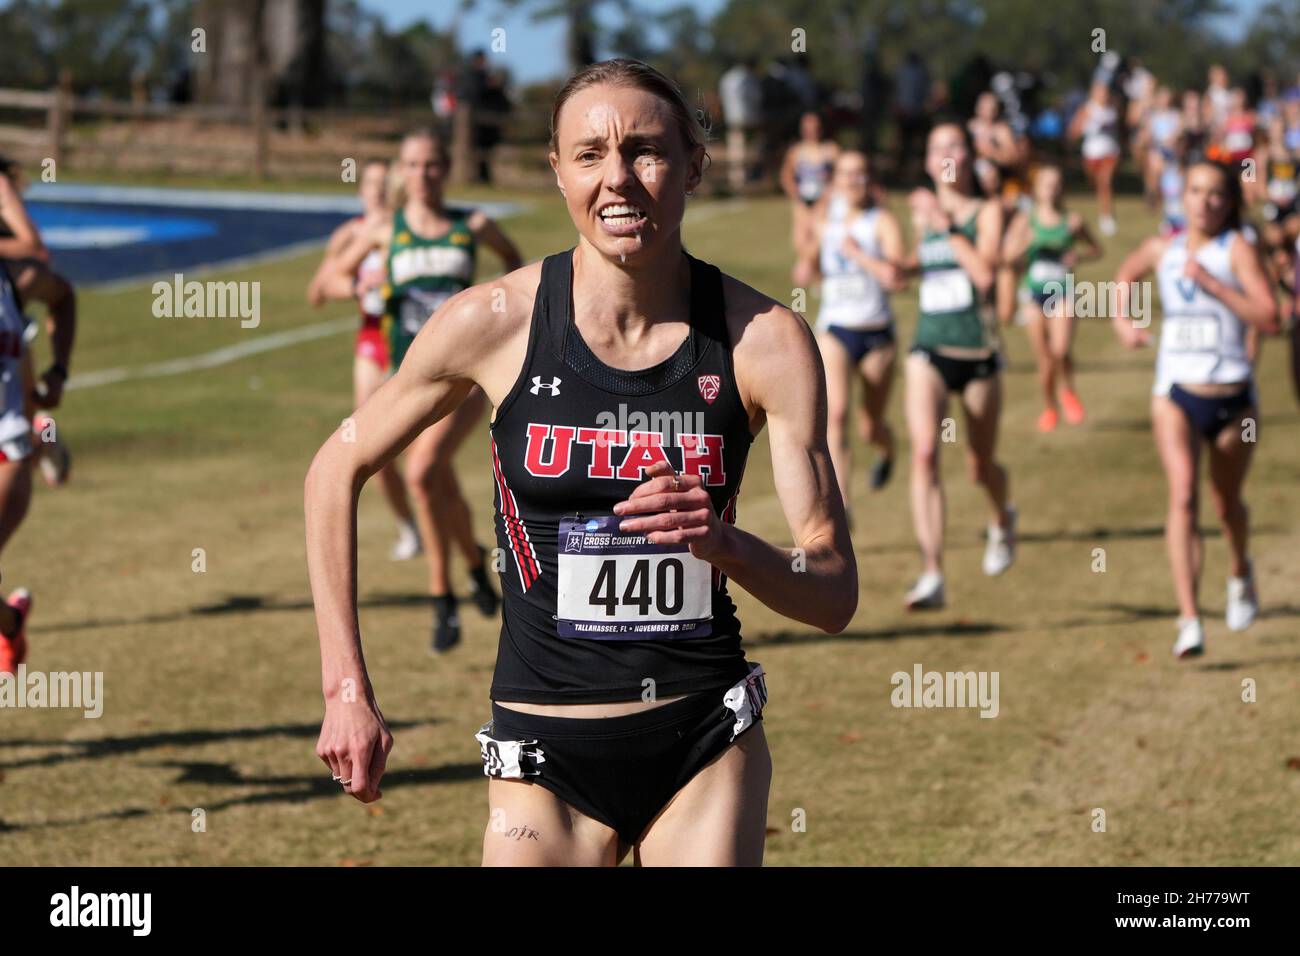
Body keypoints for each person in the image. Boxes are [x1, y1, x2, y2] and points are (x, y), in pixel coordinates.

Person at [306, 58, 857, 866]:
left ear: (694, 165)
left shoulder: (763, 339)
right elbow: (333, 470)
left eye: (646, 150)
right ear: (558, 172)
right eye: (591, 154)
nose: (619, 179)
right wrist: (345, 688)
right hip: (541, 760)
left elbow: (833, 593)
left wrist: (728, 544)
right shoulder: (493, 323)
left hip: (704, 741)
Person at [330, 128, 523, 653]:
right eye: (412, 166)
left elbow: (517, 268)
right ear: (401, 172)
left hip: (465, 378)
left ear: (446, 169)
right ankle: (473, 562)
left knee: (421, 473)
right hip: (410, 379)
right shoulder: (384, 231)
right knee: (436, 481)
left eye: (433, 164)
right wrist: (356, 286)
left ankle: (441, 596)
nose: (423, 175)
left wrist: (499, 317)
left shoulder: (473, 225)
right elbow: (322, 283)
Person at [1112, 161, 1280, 657]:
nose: (1205, 201)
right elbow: (1124, 275)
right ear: (1181, 197)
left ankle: (1239, 570)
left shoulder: (1237, 250)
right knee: (1183, 495)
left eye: (1215, 194)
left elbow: (1270, 317)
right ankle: (1189, 618)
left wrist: (1212, 285)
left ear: (1229, 202)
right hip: (1176, 394)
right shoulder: (1164, 247)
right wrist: (1123, 322)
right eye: (1195, 191)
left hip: (1233, 401)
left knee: (1227, 504)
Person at [901, 122, 1015, 610]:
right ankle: (932, 573)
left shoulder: (987, 211)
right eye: (936, 147)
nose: (945, 154)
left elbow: (985, 275)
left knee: (978, 464)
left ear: (968, 157)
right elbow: (920, 267)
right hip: (928, 348)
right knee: (925, 452)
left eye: (954, 145)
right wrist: (886, 266)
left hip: (977, 354)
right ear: (928, 161)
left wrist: (943, 223)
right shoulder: (921, 212)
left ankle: (1001, 516)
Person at [307, 157, 421, 561]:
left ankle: (431, 510)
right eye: (369, 182)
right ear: (359, 189)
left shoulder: (413, 227)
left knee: (420, 451)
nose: (377, 188)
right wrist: (360, 284)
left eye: (383, 181)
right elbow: (317, 291)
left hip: (414, 339)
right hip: (373, 341)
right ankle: (408, 526)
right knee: (370, 440)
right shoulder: (351, 234)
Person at [794, 151, 904, 511]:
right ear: (836, 181)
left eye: (860, 174)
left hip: (876, 334)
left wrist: (859, 255)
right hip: (836, 328)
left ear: (869, 179)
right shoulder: (827, 221)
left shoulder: (882, 221)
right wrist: (808, 263)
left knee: (870, 424)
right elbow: (806, 262)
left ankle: (886, 449)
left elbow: (896, 276)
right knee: (836, 414)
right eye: (846, 175)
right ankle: (843, 505)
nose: (854, 181)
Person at [1001, 163, 1102, 432]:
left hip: (1063, 292)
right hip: (1033, 293)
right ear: (1036, 189)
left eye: (1057, 185)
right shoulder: (1026, 220)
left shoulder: (1073, 221)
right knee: (1044, 358)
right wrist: (1026, 242)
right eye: (1046, 184)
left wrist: (1077, 256)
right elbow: (1007, 258)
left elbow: (1096, 250)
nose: (1052, 190)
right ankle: (1049, 406)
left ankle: (1068, 391)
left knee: (1060, 350)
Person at [779, 111, 839, 253]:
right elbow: (786, 176)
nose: (812, 131)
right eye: (808, 128)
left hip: (825, 202)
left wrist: (827, 198)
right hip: (802, 201)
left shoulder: (831, 149)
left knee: (820, 242)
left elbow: (839, 176)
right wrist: (796, 197)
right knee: (800, 242)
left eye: (815, 127)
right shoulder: (796, 151)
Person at [1070, 81, 1122, 236]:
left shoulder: (1113, 108)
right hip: (1091, 154)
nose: (1103, 95)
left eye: (1105, 91)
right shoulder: (1087, 110)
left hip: (1110, 152)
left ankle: (1106, 217)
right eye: (1100, 91)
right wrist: (1086, 126)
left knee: (1105, 183)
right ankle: (1103, 208)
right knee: (1096, 183)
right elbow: (1073, 132)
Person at [719, 58, 763, 193]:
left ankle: (737, 180)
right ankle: (749, 178)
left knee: (736, 149)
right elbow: (756, 97)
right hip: (749, 118)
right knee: (751, 147)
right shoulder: (748, 78)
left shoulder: (727, 77)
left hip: (732, 118)